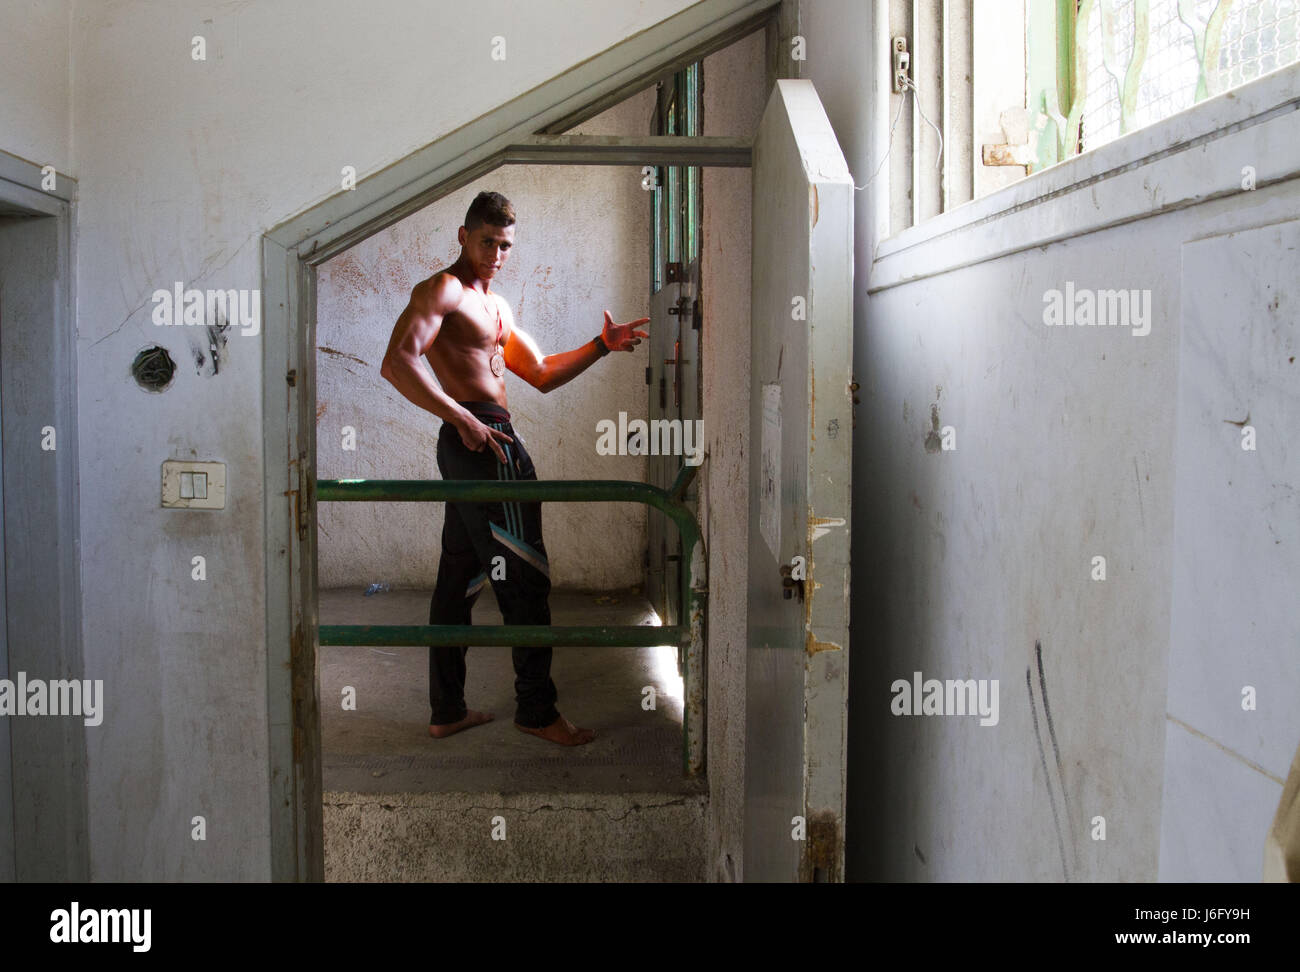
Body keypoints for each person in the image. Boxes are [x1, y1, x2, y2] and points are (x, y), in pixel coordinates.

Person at [379, 190, 650, 746]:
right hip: (480, 442)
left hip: (487, 436)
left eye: (505, 245)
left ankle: (447, 709)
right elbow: (397, 362)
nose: (497, 254)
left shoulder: (496, 306)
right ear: (462, 235)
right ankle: (537, 710)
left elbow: (543, 373)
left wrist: (602, 345)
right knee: (524, 573)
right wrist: (462, 419)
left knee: (458, 579)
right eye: (487, 242)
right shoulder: (443, 290)